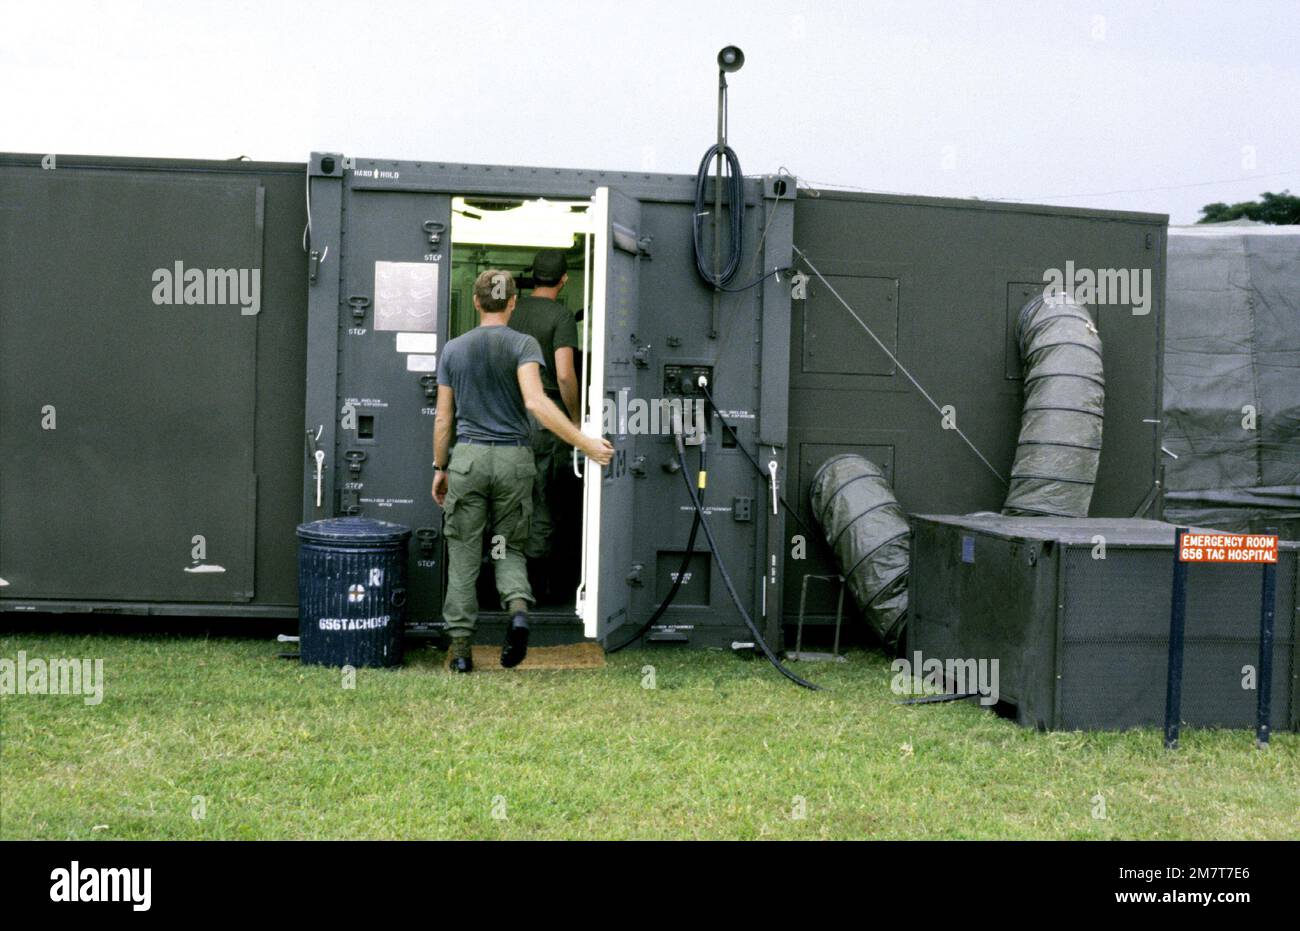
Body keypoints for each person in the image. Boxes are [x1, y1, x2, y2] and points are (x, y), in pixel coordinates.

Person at [433, 269, 612, 673]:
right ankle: (516, 611)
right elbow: (535, 402)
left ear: (477, 303)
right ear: (512, 303)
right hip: (514, 460)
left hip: (469, 459)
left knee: (463, 551)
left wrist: (440, 467)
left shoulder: (453, 350)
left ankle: (461, 650)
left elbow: (443, 420)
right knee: (509, 546)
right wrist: (584, 441)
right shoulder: (523, 344)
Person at [507, 250, 580, 577]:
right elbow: (564, 374)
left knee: (509, 497)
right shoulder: (561, 317)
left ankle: (504, 572)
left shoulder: (511, 310)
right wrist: (575, 419)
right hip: (545, 419)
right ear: (563, 280)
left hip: (508, 415)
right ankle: (535, 579)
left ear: (532, 275)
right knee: (543, 499)